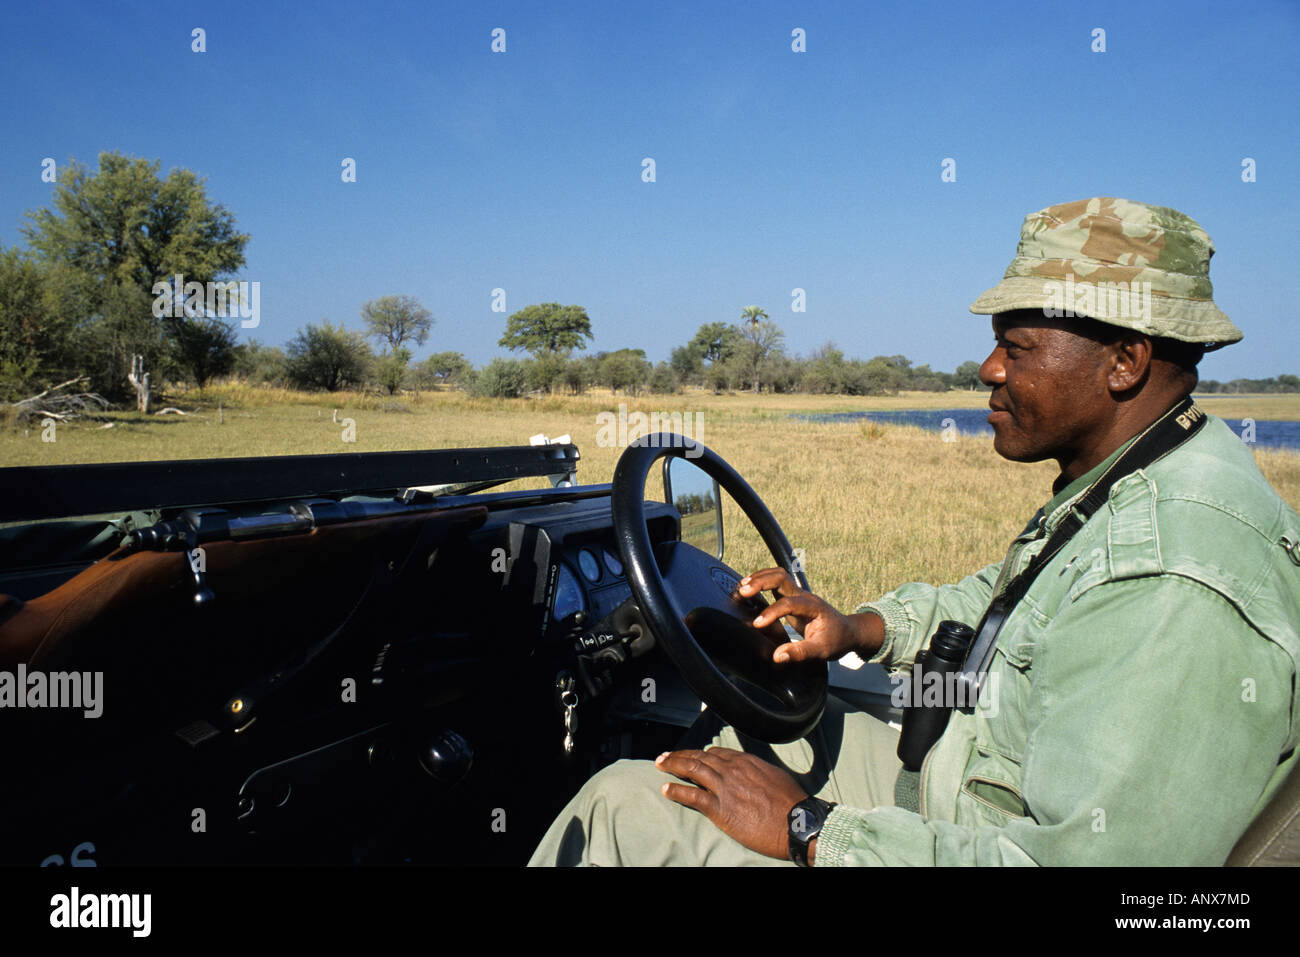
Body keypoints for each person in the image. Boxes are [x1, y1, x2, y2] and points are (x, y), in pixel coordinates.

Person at [529, 197, 1300, 866]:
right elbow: (1005, 608)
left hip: (981, 833)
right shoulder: (1140, 472)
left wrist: (807, 827)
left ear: (1126, 361)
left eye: (1018, 347)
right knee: (740, 738)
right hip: (965, 782)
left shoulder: (1171, 573)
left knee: (627, 803)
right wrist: (858, 626)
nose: (989, 369)